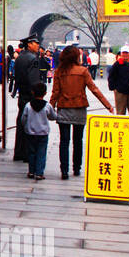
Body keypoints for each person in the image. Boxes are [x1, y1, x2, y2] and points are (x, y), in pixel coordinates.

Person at [49, 44, 113, 179]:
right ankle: (76, 168)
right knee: (78, 140)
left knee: (64, 141)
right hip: (79, 108)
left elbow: (55, 92)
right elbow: (94, 89)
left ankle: (64, 170)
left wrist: (50, 107)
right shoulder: (83, 71)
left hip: (64, 108)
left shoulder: (59, 72)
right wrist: (107, 105)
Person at [12, 35, 45, 163]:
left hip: (22, 95)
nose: (38, 46)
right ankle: (27, 153)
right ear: (29, 44)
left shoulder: (20, 58)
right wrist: (38, 95)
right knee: (31, 125)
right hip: (30, 96)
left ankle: (19, 152)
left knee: (21, 122)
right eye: (35, 43)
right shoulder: (33, 59)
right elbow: (34, 80)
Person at [18, 82, 57, 181]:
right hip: (43, 133)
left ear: (32, 92)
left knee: (31, 152)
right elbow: (53, 116)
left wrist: (25, 126)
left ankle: (31, 171)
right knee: (41, 153)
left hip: (30, 133)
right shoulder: (47, 106)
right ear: (45, 93)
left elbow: (23, 119)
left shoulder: (28, 105)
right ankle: (39, 173)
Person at [108, 45, 129, 117]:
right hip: (120, 92)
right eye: (123, 53)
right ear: (121, 54)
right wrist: (114, 88)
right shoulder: (117, 64)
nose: (125, 55)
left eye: (127, 53)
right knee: (120, 112)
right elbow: (111, 77)